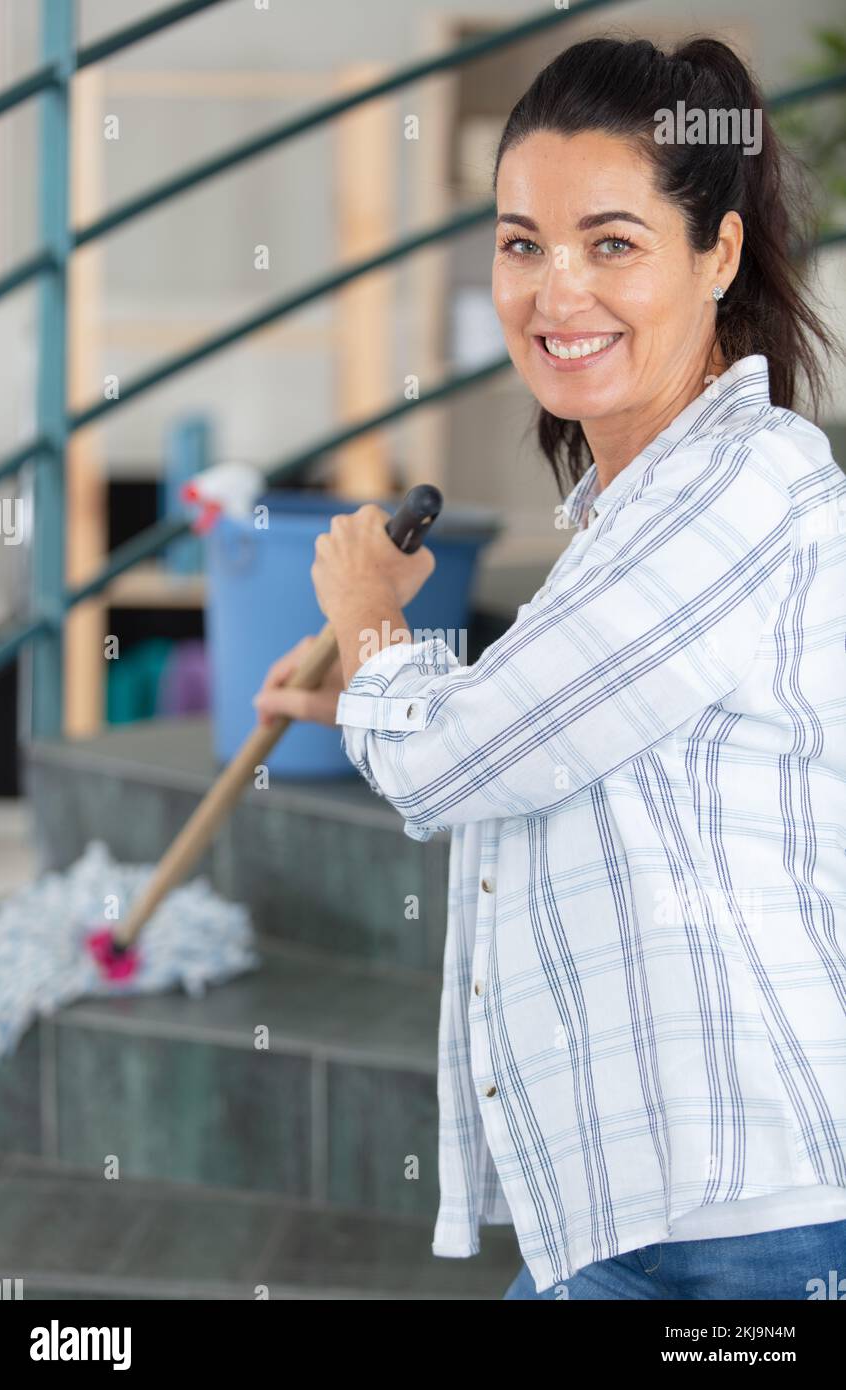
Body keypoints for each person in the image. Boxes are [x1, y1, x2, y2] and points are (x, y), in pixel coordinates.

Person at [254, 35, 846, 1300]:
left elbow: (455, 755)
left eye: (611, 242)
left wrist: (368, 624)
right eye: (521, 242)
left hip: (752, 1226)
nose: (552, 289)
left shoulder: (747, 481)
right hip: (621, 1208)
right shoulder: (621, 512)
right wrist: (358, 682)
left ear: (719, 253)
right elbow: (555, 733)